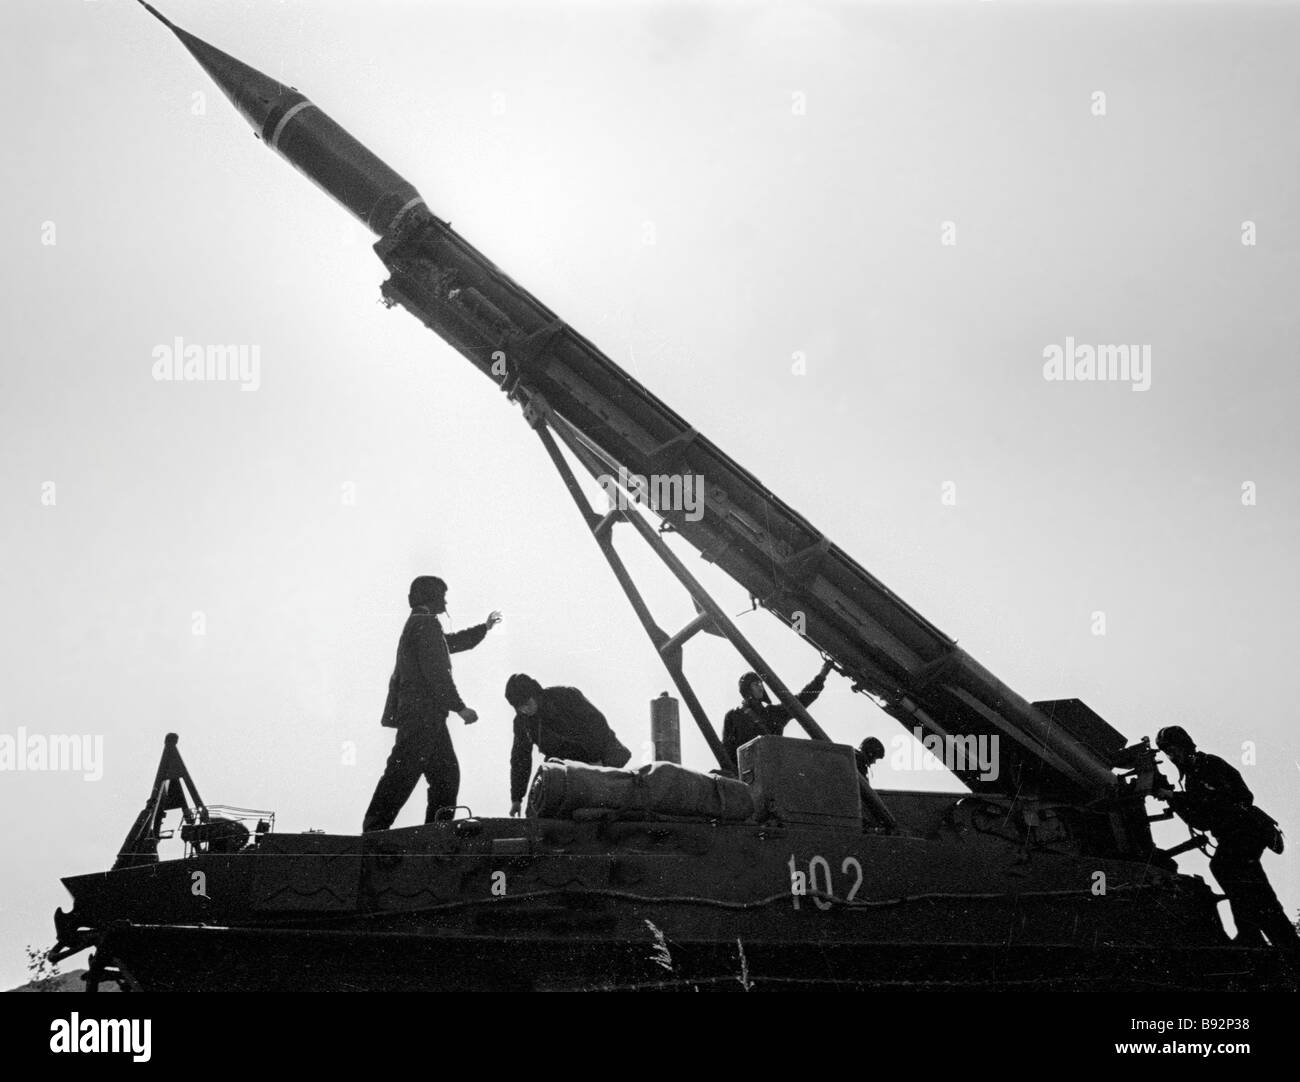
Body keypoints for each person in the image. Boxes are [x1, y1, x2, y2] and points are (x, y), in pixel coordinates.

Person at [362, 576, 501, 831]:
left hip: (425, 717)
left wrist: (484, 628)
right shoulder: (425, 625)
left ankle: (433, 833)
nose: (446, 601)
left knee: (444, 777)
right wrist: (460, 707)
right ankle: (376, 831)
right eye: (443, 596)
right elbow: (436, 671)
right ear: (432, 597)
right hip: (421, 716)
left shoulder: (419, 625)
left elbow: (451, 644)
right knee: (404, 774)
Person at [1152, 725, 1298, 949]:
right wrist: (1173, 799)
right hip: (1234, 837)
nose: (1172, 757)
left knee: (1225, 868)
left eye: (1173, 750)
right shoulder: (1192, 776)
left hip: (1245, 831)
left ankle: (1252, 935)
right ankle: (1270, 940)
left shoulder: (1208, 764)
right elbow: (1200, 820)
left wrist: (1175, 796)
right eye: (1167, 753)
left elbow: (1229, 798)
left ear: (1184, 745)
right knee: (1255, 892)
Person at [504, 673, 631, 817]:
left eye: (526, 703)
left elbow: (597, 725)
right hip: (565, 765)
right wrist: (516, 798)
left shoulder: (565, 696)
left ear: (535, 694)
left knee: (595, 811)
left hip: (600, 757)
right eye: (519, 707)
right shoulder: (523, 722)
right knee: (539, 808)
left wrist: (596, 762)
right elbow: (520, 759)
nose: (525, 710)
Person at [721, 659, 835, 772]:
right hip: (748, 774)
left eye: (761, 683)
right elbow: (727, 752)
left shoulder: (773, 713)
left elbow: (800, 701)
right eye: (756, 684)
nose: (761, 687)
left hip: (775, 770)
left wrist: (821, 676)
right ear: (747, 689)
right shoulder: (733, 716)